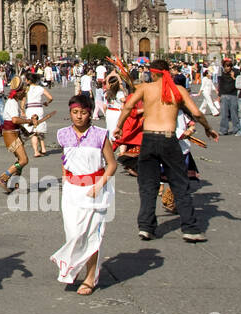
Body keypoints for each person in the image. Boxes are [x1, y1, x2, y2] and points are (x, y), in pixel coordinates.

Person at [113, 59, 217, 242]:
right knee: (179, 185)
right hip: (169, 139)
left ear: (153, 73)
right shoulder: (178, 90)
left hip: (149, 138)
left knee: (147, 185)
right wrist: (208, 128)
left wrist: (119, 126)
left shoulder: (145, 88)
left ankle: (146, 227)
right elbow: (197, 113)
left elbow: (128, 106)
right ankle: (190, 229)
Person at [51, 93, 117, 294]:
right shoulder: (63, 134)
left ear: (90, 114)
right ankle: (75, 265)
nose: (79, 116)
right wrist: (65, 177)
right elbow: (65, 159)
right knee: (73, 233)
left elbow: (112, 164)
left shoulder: (100, 134)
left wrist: (100, 184)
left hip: (95, 189)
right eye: (75, 112)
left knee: (91, 236)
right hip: (72, 191)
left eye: (83, 113)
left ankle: (90, 277)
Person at [0, 77, 32, 192]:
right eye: (23, 92)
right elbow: (15, 120)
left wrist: (24, 130)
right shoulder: (11, 102)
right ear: (19, 92)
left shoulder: (14, 102)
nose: (24, 95)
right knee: (23, 160)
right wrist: (28, 121)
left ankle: (16, 183)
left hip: (13, 133)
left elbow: (13, 121)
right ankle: (3, 177)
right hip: (10, 135)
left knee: (20, 160)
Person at [25, 77, 53, 158]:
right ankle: (43, 148)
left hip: (30, 108)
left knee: (33, 131)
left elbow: (23, 100)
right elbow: (50, 98)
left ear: (29, 81)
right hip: (39, 108)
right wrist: (47, 103)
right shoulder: (40, 88)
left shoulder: (26, 89)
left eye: (26, 79)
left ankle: (36, 151)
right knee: (40, 128)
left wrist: (22, 110)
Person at [216, 59, 238, 134]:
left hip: (233, 95)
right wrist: (219, 96)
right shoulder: (222, 74)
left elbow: (239, 83)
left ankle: (236, 129)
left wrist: (233, 77)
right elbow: (220, 85)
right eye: (226, 66)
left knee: (234, 113)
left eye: (229, 66)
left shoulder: (236, 72)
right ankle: (223, 129)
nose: (227, 68)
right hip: (224, 95)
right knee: (224, 114)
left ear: (231, 66)